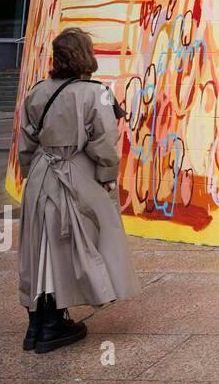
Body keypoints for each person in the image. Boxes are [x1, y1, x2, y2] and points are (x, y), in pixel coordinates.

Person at [16, 27, 140, 353]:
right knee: (75, 243)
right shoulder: (94, 93)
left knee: (40, 246)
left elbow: (26, 141)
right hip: (74, 173)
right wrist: (107, 176)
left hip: (41, 175)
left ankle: (36, 324)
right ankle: (55, 320)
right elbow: (105, 142)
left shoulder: (38, 90)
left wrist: (32, 174)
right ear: (86, 55)